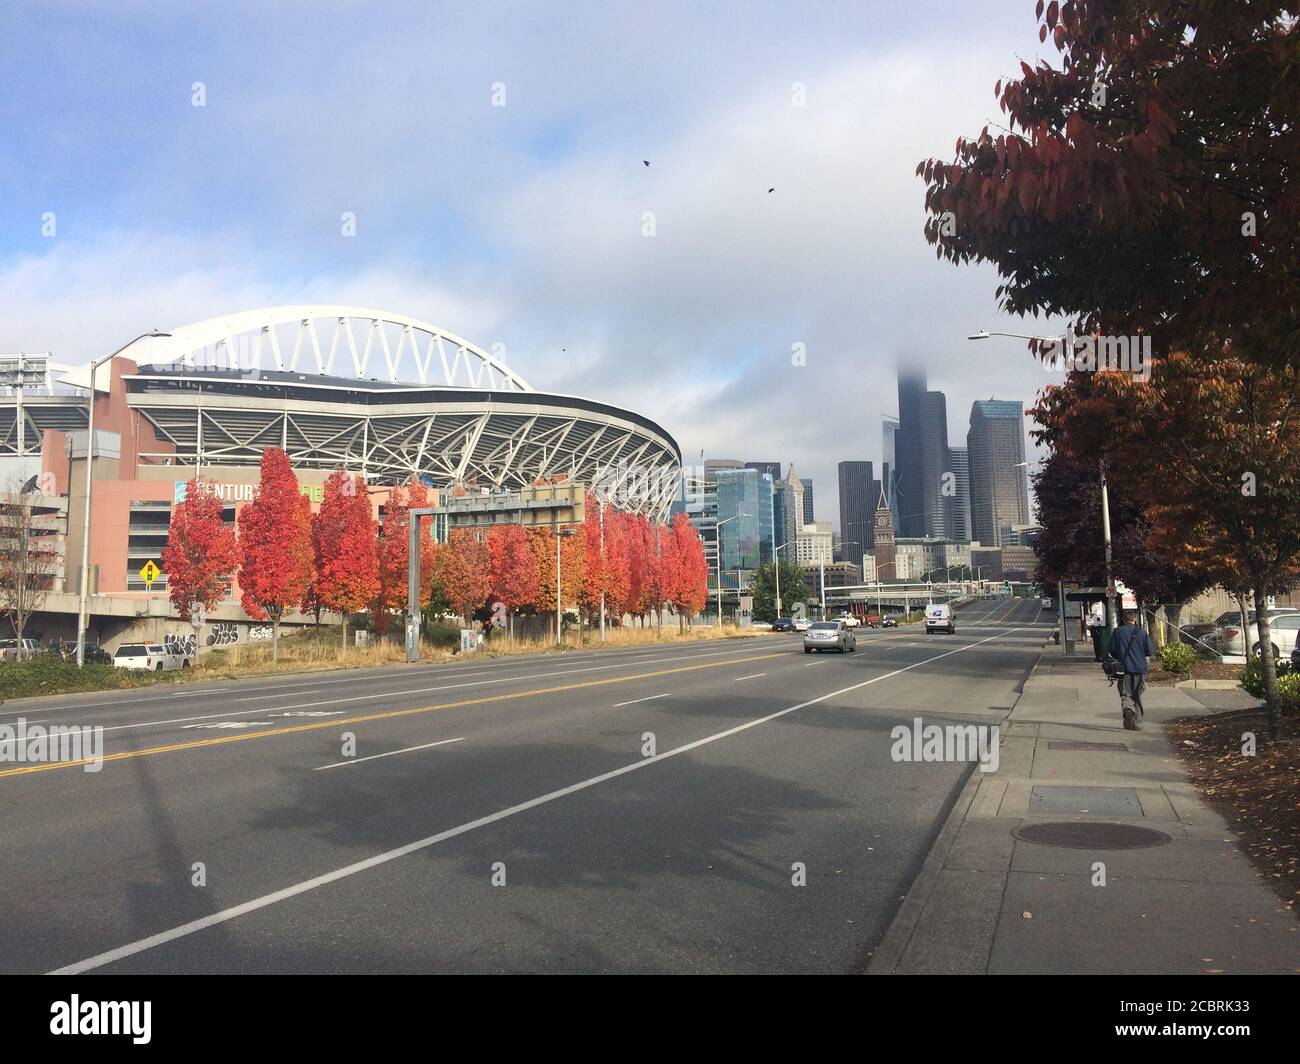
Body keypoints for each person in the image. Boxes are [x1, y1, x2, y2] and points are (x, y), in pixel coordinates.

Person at [1106, 609, 1154, 730]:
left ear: (1123, 619)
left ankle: (1128, 710)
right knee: (1137, 694)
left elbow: (1111, 650)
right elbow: (1149, 651)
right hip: (1140, 668)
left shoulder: (1117, 632)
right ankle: (1137, 722)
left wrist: (1121, 657)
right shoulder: (1142, 633)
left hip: (1124, 669)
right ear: (1135, 619)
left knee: (1125, 693)